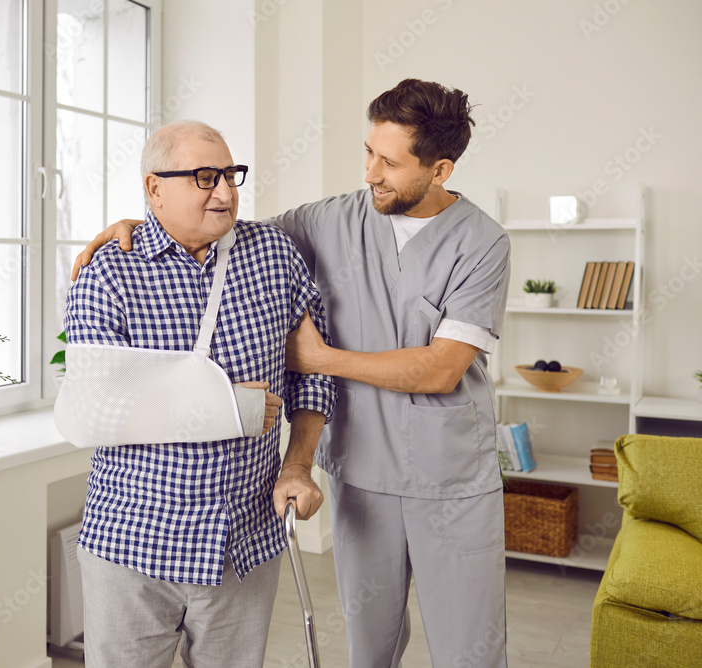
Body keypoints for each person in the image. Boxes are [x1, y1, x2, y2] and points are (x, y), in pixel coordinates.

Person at [73, 80, 511, 668]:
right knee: (369, 646)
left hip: (448, 472)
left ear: (440, 170)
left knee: (470, 650)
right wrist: (133, 220)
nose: (370, 173)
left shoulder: (482, 243)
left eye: (389, 161)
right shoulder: (326, 222)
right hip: (362, 472)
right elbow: (210, 226)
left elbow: (440, 368)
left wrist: (317, 368)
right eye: (368, 152)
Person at [64, 119, 336, 668]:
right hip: (134, 541)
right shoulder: (108, 274)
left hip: (244, 541)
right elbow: (97, 410)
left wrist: (298, 465)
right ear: (154, 189)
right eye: (205, 177)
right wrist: (233, 409)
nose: (227, 192)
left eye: (232, 175)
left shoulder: (274, 255)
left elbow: (315, 373)